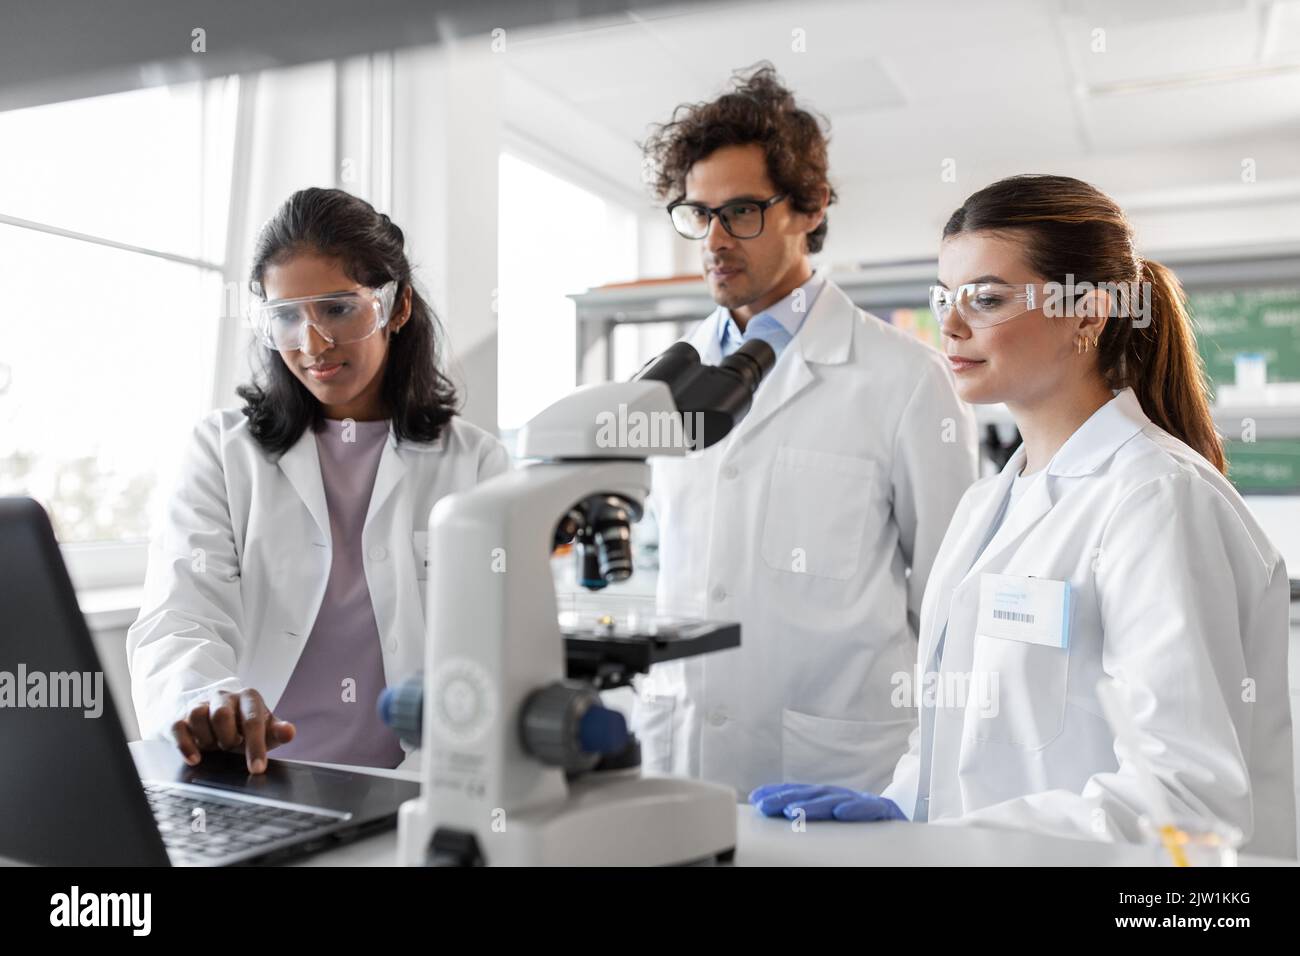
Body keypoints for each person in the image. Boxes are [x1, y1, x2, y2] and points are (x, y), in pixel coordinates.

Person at [751, 174, 1297, 859]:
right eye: (945, 297)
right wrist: (903, 808)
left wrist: (947, 837)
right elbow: (959, 735)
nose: (950, 325)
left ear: (1088, 316)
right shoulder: (987, 504)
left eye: (986, 299)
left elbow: (1187, 799)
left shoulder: (1157, 498)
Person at [632, 64, 978, 798]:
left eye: (741, 211)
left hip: (840, 768)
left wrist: (932, 781)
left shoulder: (908, 379)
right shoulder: (665, 377)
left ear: (810, 205)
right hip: (682, 755)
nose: (714, 239)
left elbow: (951, 604)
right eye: (698, 214)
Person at [127, 187, 510, 774]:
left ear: (397, 307)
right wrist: (203, 701)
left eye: (337, 309)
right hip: (255, 779)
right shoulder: (222, 452)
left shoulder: (477, 465)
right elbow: (178, 619)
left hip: (413, 786)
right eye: (287, 316)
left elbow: (495, 651)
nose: (313, 344)